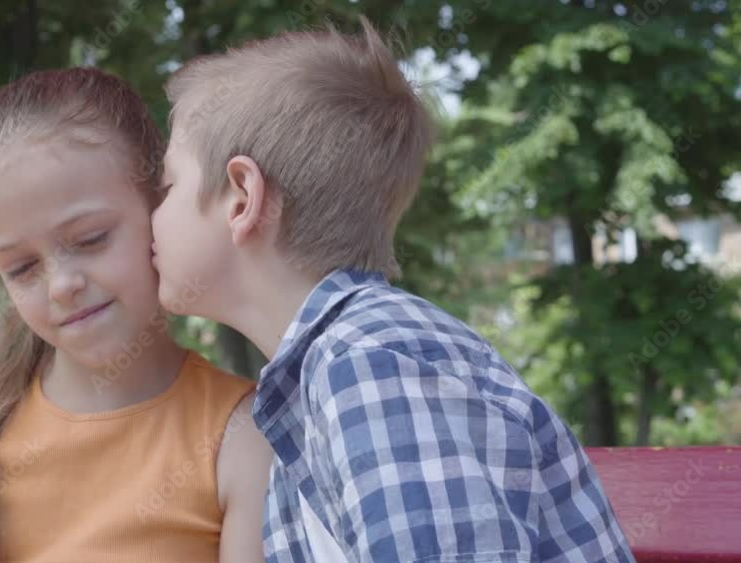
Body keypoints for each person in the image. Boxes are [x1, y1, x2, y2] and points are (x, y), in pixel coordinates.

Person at [150, 18, 635, 563]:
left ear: (241, 197)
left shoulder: (370, 362)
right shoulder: (312, 391)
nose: (152, 214)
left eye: (167, 187)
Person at [0, 67, 272, 563]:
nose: (62, 285)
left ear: (160, 208)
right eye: (22, 268)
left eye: (91, 239)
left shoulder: (243, 435)